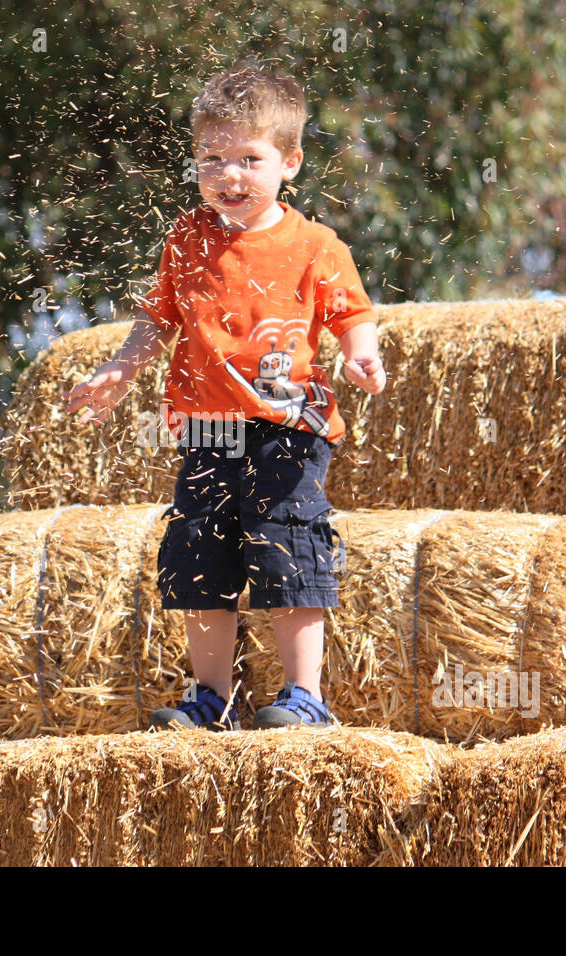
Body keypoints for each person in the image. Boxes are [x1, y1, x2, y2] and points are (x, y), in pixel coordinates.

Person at [64, 62, 386, 731]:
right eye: (212, 158)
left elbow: (352, 313)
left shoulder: (315, 245)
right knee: (199, 557)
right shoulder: (187, 238)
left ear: (289, 163)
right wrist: (120, 370)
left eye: (248, 158)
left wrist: (361, 354)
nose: (228, 175)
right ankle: (212, 700)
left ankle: (306, 697)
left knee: (287, 549)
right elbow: (159, 318)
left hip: (287, 429)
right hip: (207, 432)